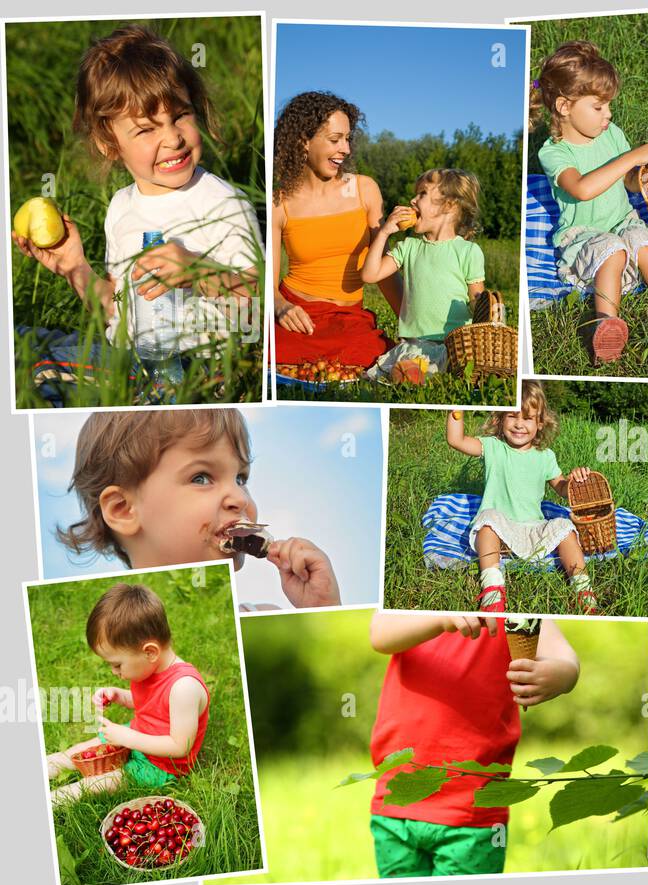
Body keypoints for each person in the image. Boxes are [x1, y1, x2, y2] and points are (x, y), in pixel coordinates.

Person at [12, 24, 261, 402]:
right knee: (22, 339)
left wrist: (199, 270)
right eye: (146, 129)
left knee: (40, 366)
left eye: (180, 115)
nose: (173, 138)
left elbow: (254, 311)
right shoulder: (121, 207)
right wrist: (74, 267)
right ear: (109, 143)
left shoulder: (223, 202)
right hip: (129, 358)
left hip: (195, 369)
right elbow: (117, 314)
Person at [530, 40, 648, 363]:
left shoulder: (611, 133)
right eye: (598, 107)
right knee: (612, 249)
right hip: (583, 236)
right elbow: (581, 188)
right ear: (564, 107)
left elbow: (629, 180)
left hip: (623, 221)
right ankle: (602, 328)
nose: (608, 115)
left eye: (608, 106)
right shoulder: (553, 152)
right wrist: (633, 155)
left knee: (642, 242)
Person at [54, 409, 340, 610]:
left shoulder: (265, 616)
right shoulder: (121, 625)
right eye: (201, 478)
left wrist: (322, 608)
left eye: (241, 478)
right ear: (123, 509)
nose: (239, 498)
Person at [367, 613, 579, 878]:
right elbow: (380, 634)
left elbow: (565, 659)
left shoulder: (515, 595)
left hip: (473, 808)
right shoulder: (415, 593)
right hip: (396, 799)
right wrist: (439, 619)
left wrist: (561, 676)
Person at [47, 583, 209, 806]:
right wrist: (120, 696)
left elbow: (180, 746)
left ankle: (49, 802)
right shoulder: (148, 668)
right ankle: (44, 768)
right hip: (136, 734)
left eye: (117, 665)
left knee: (97, 784)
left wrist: (127, 738)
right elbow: (150, 704)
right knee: (77, 753)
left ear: (150, 652)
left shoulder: (184, 688)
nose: (115, 672)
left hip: (162, 765)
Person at [446, 381, 597, 614]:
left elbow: (561, 488)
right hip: (499, 530)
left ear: (540, 423)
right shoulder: (493, 447)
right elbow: (456, 440)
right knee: (487, 519)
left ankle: (583, 591)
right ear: (500, 419)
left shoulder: (545, 456)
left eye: (527, 418)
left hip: (534, 528)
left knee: (565, 527)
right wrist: (457, 405)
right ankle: (493, 590)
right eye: (512, 416)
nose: (519, 425)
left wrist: (575, 481)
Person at [271, 91, 396, 369]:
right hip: (298, 312)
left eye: (348, 139)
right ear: (304, 141)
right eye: (335, 139)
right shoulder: (279, 203)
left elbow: (386, 272)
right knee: (271, 353)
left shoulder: (365, 190)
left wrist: (415, 330)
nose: (346, 149)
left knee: (367, 355)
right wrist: (280, 307)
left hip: (349, 318)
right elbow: (270, 284)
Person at [361, 168, 486, 381]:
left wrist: (488, 312)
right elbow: (370, 275)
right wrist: (384, 232)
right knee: (407, 370)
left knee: (451, 368)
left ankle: (429, 375)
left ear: (449, 205)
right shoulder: (409, 247)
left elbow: (477, 300)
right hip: (415, 345)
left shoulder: (467, 251)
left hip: (453, 344)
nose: (412, 200)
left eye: (422, 194)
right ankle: (418, 375)